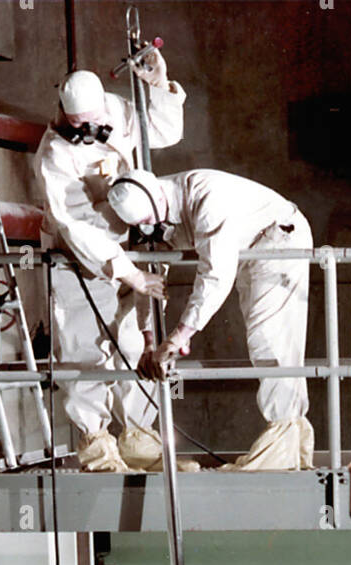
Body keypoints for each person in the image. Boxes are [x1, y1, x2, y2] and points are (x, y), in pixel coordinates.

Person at [34, 59, 187, 473]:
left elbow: (165, 132)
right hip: (79, 258)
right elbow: (76, 227)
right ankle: (96, 443)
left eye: (97, 121)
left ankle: (140, 438)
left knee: (133, 342)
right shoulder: (54, 156)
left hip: (127, 243)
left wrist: (159, 86)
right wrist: (128, 272)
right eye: (82, 125)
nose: (92, 132)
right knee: (87, 351)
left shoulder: (117, 110)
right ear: (66, 117)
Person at [107, 168, 315, 471]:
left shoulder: (207, 199)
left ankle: (285, 448)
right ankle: (287, 446)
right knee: (264, 341)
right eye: (144, 225)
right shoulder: (152, 217)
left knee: (269, 340)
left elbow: (215, 276)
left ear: (160, 196)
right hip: (248, 247)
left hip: (277, 239)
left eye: (153, 220)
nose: (152, 227)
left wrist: (178, 337)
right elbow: (149, 278)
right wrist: (149, 339)